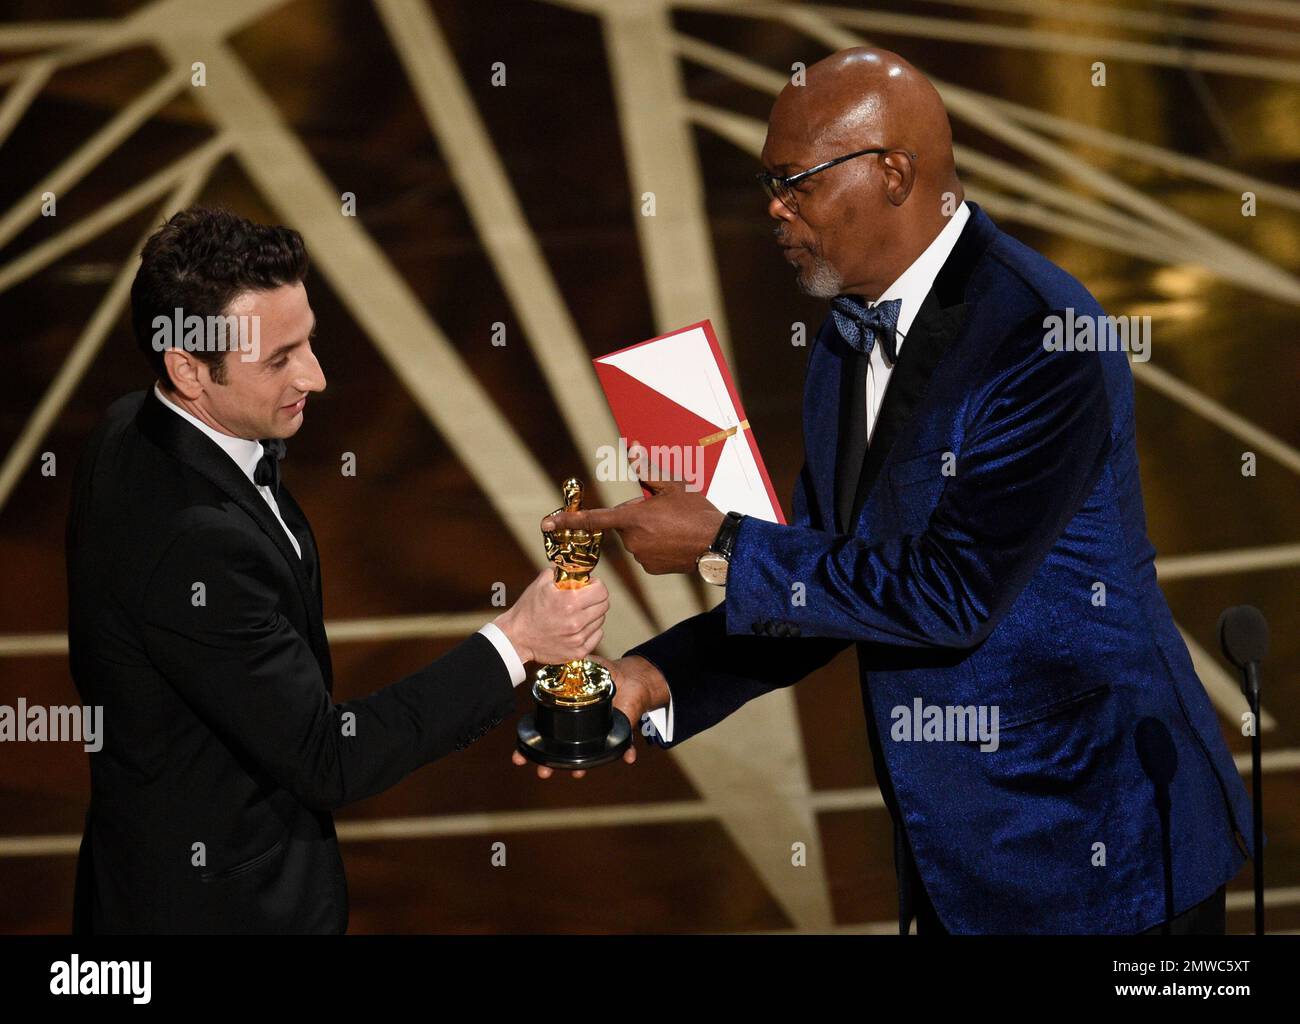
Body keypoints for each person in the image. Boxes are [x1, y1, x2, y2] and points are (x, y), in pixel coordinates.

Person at [519, 48, 1252, 934]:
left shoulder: (1043, 338)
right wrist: (650, 679)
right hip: (955, 859)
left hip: (1101, 853)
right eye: (767, 184)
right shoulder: (843, 343)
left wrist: (725, 542)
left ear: (893, 173)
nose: (774, 211)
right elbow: (832, 580)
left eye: (793, 183)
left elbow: (950, 594)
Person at [67, 207, 607, 933]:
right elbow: (329, 758)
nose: (316, 377)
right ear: (188, 369)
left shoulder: (131, 423)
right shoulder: (195, 543)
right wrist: (517, 639)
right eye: (280, 359)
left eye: (308, 342)